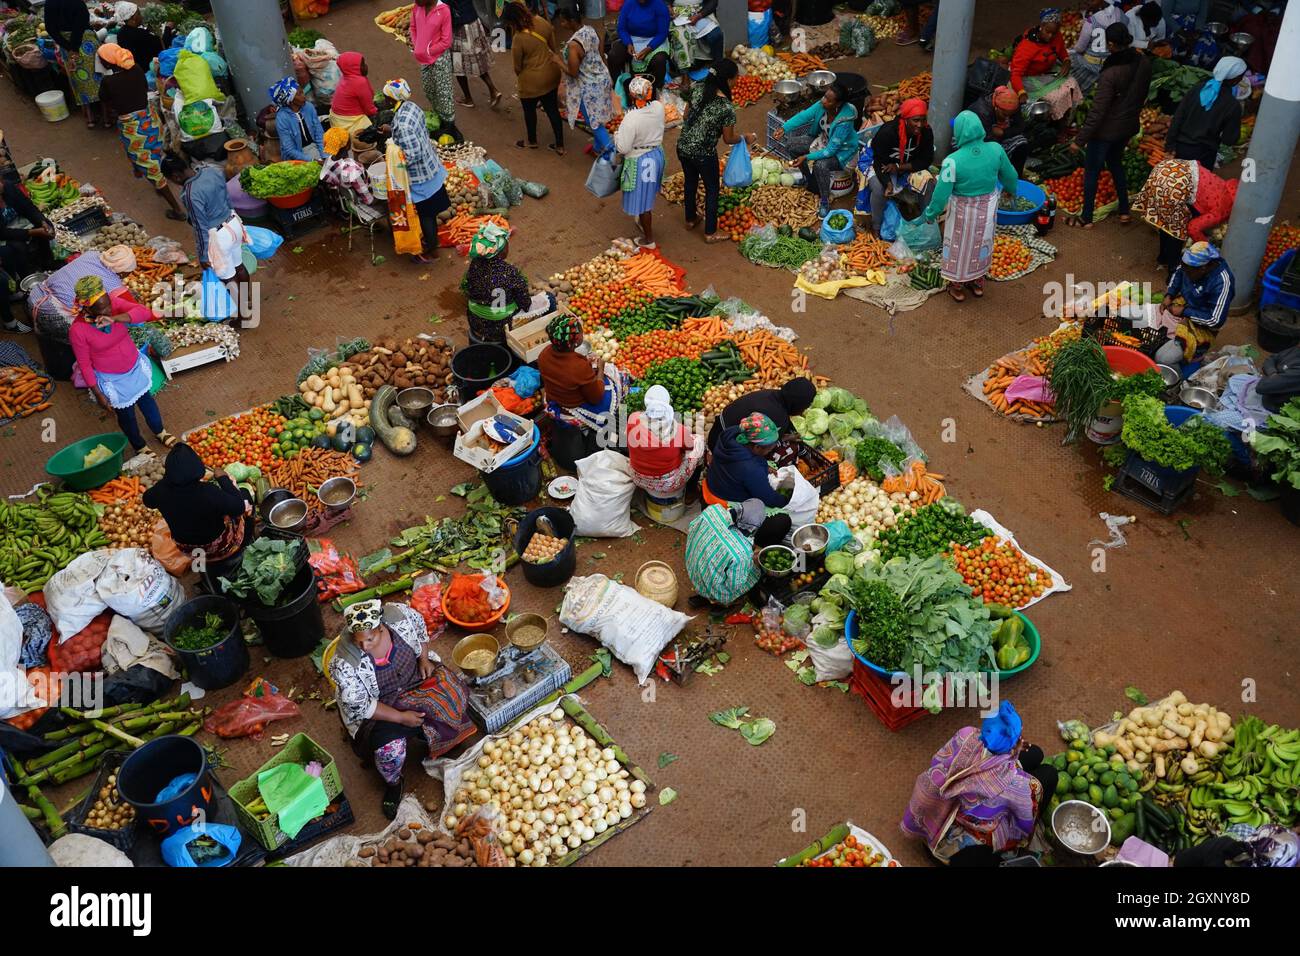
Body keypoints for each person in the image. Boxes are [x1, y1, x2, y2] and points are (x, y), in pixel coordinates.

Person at [329, 599, 475, 819]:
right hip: (380, 707)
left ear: (380, 628)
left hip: (413, 680)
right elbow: (363, 706)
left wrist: (424, 659)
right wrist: (400, 717)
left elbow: (420, 632)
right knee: (390, 750)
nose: (365, 646)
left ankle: (434, 738)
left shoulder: (399, 618)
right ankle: (394, 784)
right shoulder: (345, 663)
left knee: (453, 694)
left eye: (370, 639)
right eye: (359, 642)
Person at [902, 701, 1057, 866]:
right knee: (1048, 775)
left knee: (1035, 753)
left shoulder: (966, 734)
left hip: (939, 815)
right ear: (1012, 744)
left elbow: (939, 761)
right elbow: (1023, 821)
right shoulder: (1015, 785)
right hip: (962, 847)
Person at [70, 276, 176, 453]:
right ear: (87, 307)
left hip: (134, 366)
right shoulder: (78, 330)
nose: (108, 309)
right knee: (126, 415)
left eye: (108, 304)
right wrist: (98, 393)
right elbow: (84, 364)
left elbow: (144, 312)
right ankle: (140, 446)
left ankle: (160, 431)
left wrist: (116, 318)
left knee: (147, 401)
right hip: (113, 379)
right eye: (102, 308)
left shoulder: (113, 305)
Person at [924, 111, 1019, 302]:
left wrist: (931, 213)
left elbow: (941, 193)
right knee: (982, 241)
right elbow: (1011, 175)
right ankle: (977, 282)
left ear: (959, 132)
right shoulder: (996, 149)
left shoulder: (952, 161)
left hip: (963, 210)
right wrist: (1011, 189)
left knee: (960, 245)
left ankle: (957, 286)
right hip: (988, 207)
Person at [1068, 23, 1151, 228]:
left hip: (1106, 130)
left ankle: (1086, 217)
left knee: (1092, 171)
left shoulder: (1110, 74)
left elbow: (1098, 111)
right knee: (1116, 164)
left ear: (1112, 44)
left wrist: (1080, 140)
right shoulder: (1143, 62)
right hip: (1128, 126)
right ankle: (1124, 210)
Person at [96, 44, 187, 221]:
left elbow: (105, 101)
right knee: (158, 151)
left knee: (150, 167)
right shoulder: (136, 69)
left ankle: (177, 210)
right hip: (150, 119)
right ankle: (152, 171)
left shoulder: (108, 82)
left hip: (133, 128)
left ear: (108, 62)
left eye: (101, 59)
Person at [677, 60, 755, 243]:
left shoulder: (697, 88)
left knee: (690, 182)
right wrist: (745, 138)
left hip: (683, 147)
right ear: (728, 80)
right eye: (736, 78)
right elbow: (728, 139)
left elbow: (686, 115)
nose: (737, 81)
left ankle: (690, 219)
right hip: (703, 154)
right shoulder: (725, 107)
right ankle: (710, 232)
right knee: (713, 190)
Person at [162, 155, 251, 315]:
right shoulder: (211, 170)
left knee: (228, 278)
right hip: (233, 223)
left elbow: (200, 227)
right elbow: (227, 197)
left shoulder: (190, 194)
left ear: (176, 176)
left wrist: (204, 256)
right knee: (239, 265)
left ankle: (243, 316)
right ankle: (248, 299)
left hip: (219, 236)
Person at [142, 443, 253, 570]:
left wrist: (164, 485)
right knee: (245, 496)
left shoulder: (160, 491)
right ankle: (242, 548)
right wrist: (223, 478)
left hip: (187, 548)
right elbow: (238, 508)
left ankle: (200, 567)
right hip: (218, 545)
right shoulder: (208, 492)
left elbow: (147, 500)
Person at [538, 314, 627, 467]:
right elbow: (596, 398)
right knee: (618, 381)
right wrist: (600, 369)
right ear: (576, 341)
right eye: (580, 331)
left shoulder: (544, 354)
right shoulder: (577, 367)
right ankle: (613, 439)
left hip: (554, 396)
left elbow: (564, 374)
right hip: (573, 406)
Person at [382, 78, 451, 264]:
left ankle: (432, 251)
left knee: (426, 215)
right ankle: (432, 240)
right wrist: (392, 131)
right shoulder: (411, 106)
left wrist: (395, 163)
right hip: (431, 166)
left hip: (421, 176)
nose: (384, 100)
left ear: (392, 100)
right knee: (430, 213)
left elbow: (413, 154)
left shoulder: (402, 126)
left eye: (386, 97)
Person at [1133, 157, 1237, 270]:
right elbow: (1193, 228)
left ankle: (1163, 258)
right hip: (1173, 184)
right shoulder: (1221, 210)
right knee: (1177, 231)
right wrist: (1208, 249)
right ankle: (1173, 271)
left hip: (1167, 168)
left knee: (1167, 222)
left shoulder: (1224, 185)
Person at [776, 81, 859, 218]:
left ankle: (825, 201)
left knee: (821, 165)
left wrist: (806, 157)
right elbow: (804, 116)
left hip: (843, 153)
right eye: (824, 96)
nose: (823, 100)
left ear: (837, 104)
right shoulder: (822, 105)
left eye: (828, 99)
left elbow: (830, 151)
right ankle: (808, 179)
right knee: (791, 145)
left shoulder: (844, 122)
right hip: (824, 141)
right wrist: (784, 128)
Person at [684, 499, 785, 609]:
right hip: (714, 586)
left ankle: (703, 594)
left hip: (693, 566)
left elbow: (692, 527)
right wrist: (754, 563)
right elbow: (734, 585)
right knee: (754, 573)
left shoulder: (713, 510)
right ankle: (719, 603)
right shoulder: (742, 554)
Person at [1153, 241, 1236, 366]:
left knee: (1163, 358)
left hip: (1202, 322)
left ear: (1203, 268)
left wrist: (1184, 312)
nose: (1185, 272)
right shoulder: (1189, 265)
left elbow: (1215, 320)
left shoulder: (1222, 282)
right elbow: (1178, 273)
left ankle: (1196, 355)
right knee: (1138, 320)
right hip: (1183, 304)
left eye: (1189, 272)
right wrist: (1169, 295)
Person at [502, 2, 565, 154]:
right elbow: (553, 47)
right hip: (551, 75)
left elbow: (517, 67)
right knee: (552, 110)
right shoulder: (542, 22)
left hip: (531, 82)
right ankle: (560, 145)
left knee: (529, 111)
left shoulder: (518, 38)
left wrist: (525, 76)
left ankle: (532, 141)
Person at [868, 97, 936, 237]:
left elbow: (926, 160)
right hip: (880, 164)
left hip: (905, 166)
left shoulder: (926, 132)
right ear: (905, 119)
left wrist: (899, 167)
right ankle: (876, 225)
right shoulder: (888, 133)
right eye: (915, 120)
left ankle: (926, 222)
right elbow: (878, 162)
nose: (919, 124)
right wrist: (887, 183)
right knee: (878, 188)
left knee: (929, 182)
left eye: (922, 120)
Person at [1164, 56, 1246, 170]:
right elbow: (1229, 139)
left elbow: (1178, 118)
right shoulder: (1232, 105)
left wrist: (1169, 145)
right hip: (1204, 155)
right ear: (1235, 79)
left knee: (1178, 183)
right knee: (1197, 185)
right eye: (1241, 76)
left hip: (1180, 148)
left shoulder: (1197, 89)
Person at [552, 4, 615, 151]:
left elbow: (573, 72)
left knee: (593, 121)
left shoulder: (574, 45)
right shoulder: (591, 30)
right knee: (598, 117)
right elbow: (599, 55)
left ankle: (610, 152)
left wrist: (558, 61)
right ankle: (598, 146)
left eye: (563, 21)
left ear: (572, 20)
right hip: (602, 79)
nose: (562, 24)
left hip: (589, 88)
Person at [613, 76, 666, 249]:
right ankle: (643, 223)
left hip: (640, 161)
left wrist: (616, 136)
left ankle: (649, 240)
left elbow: (623, 147)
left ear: (632, 96)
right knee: (647, 195)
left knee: (644, 204)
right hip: (656, 155)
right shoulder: (658, 107)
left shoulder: (632, 118)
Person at [627, 385, 706, 498]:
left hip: (637, 477)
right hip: (666, 484)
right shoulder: (678, 429)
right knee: (698, 442)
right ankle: (691, 491)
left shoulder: (632, 418)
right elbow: (690, 448)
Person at [1009, 9, 1084, 122]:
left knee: (1072, 83)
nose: (1050, 36)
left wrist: (1066, 60)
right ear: (1042, 26)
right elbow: (1015, 74)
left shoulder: (1056, 36)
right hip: (1029, 78)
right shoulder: (1027, 47)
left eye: (1054, 33)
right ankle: (1054, 120)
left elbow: (1061, 50)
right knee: (1055, 98)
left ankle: (1066, 119)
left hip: (1048, 72)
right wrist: (1021, 92)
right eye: (1047, 32)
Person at [462, 223, 531, 343]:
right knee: (549, 300)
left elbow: (469, 288)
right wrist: (525, 306)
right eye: (506, 245)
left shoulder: (474, 265)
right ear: (501, 253)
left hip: (475, 322)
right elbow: (524, 301)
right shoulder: (509, 271)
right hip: (501, 327)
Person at [705, 376, 816, 451]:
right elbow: (767, 444)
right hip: (722, 446)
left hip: (716, 432)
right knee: (787, 451)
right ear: (796, 405)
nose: (804, 411)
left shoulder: (773, 394)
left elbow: (787, 426)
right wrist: (788, 440)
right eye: (804, 407)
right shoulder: (778, 416)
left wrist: (792, 435)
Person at [705, 412, 790, 508]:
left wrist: (765, 467)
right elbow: (768, 498)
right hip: (725, 496)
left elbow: (738, 468)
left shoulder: (731, 434)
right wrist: (787, 501)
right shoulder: (751, 468)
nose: (770, 451)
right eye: (769, 449)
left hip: (715, 481)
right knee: (782, 520)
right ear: (757, 447)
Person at [44, 0, 107, 129]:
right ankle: (106, 117)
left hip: (67, 46)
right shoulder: (77, 2)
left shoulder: (50, 3)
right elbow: (81, 24)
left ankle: (90, 118)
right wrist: (75, 47)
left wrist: (67, 47)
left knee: (79, 81)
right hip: (86, 43)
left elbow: (50, 28)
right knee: (98, 77)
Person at [410, 0, 463, 142]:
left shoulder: (444, 10)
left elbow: (446, 41)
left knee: (443, 92)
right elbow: (413, 27)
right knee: (429, 89)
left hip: (440, 58)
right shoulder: (417, 7)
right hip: (423, 58)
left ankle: (449, 125)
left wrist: (428, 51)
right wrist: (417, 46)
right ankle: (440, 118)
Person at [329, 52, 383, 165]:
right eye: (362, 64)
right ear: (354, 68)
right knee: (373, 130)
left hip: (336, 120)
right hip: (350, 123)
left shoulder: (346, 77)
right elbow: (370, 110)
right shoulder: (359, 82)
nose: (366, 66)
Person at [448, 0, 501, 109]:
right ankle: (493, 90)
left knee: (458, 64)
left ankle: (468, 98)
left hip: (460, 28)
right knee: (478, 60)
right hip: (473, 23)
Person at [610, 0, 672, 92]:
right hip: (632, 39)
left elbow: (662, 33)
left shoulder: (660, 6)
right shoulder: (628, 4)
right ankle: (619, 87)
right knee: (613, 55)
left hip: (654, 40)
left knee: (659, 60)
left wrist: (649, 48)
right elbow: (622, 29)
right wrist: (628, 43)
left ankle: (654, 90)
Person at [1070, 0, 1129, 93]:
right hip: (1114, 63)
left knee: (1070, 56)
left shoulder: (1091, 21)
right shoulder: (1122, 16)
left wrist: (1073, 48)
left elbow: (1080, 48)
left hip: (1091, 66)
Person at [970, 85, 1029, 177]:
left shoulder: (1013, 105)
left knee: (1022, 144)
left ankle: (1016, 178)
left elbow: (1020, 126)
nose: (1007, 117)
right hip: (978, 141)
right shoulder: (982, 112)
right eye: (1004, 114)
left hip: (1000, 137)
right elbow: (985, 139)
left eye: (1010, 115)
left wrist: (1003, 133)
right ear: (997, 107)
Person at [268, 77, 326, 162]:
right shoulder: (282, 118)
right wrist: (313, 160)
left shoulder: (309, 107)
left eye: (302, 92)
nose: (304, 96)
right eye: (299, 94)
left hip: (314, 147)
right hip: (296, 155)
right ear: (290, 100)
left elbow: (319, 134)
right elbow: (290, 150)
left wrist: (324, 155)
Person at [320, 128, 376, 205]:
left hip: (344, 193)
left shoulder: (329, 160)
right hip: (358, 199)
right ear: (347, 146)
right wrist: (374, 200)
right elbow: (367, 197)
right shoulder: (352, 170)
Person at [112, 3, 163, 73]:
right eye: (139, 13)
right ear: (134, 17)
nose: (141, 16)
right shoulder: (140, 34)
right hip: (145, 72)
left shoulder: (121, 32)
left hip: (133, 72)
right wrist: (168, 28)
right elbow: (161, 46)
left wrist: (148, 30)